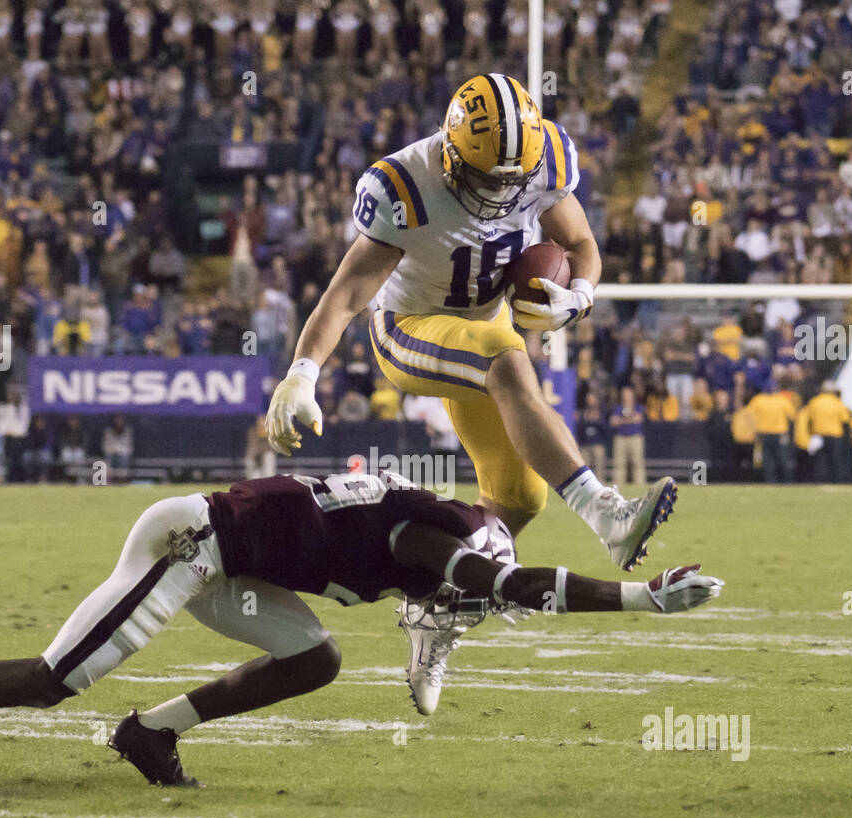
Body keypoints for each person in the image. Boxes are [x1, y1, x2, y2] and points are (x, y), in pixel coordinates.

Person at [0, 472, 724, 785]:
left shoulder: (422, 523)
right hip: (193, 544)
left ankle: (151, 732)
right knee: (55, 678)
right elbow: (516, 583)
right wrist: (642, 601)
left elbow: (493, 575)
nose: (454, 606)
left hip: (235, 561)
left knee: (315, 656)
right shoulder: (421, 535)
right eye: (455, 590)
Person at [264, 74, 676, 709]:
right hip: (409, 330)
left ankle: (438, 606)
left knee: (518, 500)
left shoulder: (544, 160)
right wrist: (303, 373)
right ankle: (607, 514)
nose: (501, 192)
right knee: (508, 362)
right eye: (486, 179)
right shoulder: (405, 184)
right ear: (450, 155)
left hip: (483, 331)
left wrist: (580, 297)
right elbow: (348, 292)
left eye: (513, 180)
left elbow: (583, 245)